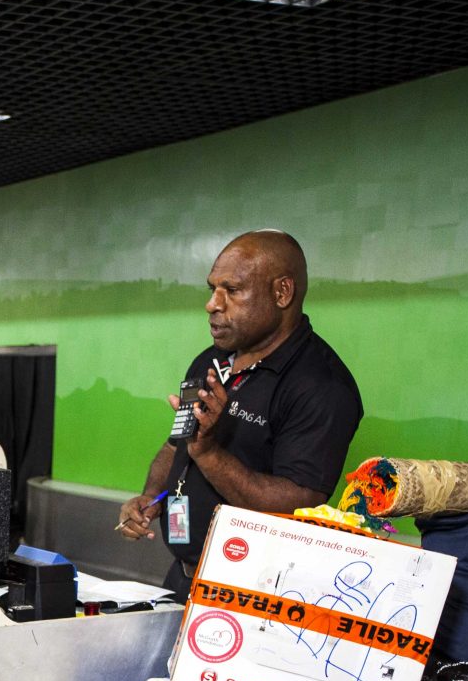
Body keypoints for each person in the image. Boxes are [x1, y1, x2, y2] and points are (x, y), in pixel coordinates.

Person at [117, 231, 362, 593]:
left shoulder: (321, 385)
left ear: (282, 292)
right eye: (213, 289)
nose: (212, 304)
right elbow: (177, 444)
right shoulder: (210, 361)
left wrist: (209, 453)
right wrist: (150, 498)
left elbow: (298, 505)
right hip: (183, 578)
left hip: (251, 595)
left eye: (231, 290)